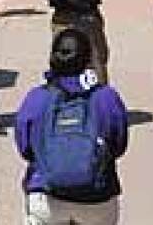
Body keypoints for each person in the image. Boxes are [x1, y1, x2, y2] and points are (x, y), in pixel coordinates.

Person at [15, 28, 130, 225]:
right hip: (97, 197)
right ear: (88, 59)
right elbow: (119, 145)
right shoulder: (106, 96)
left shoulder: (37, 98)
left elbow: (25, 148)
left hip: (47, 194)